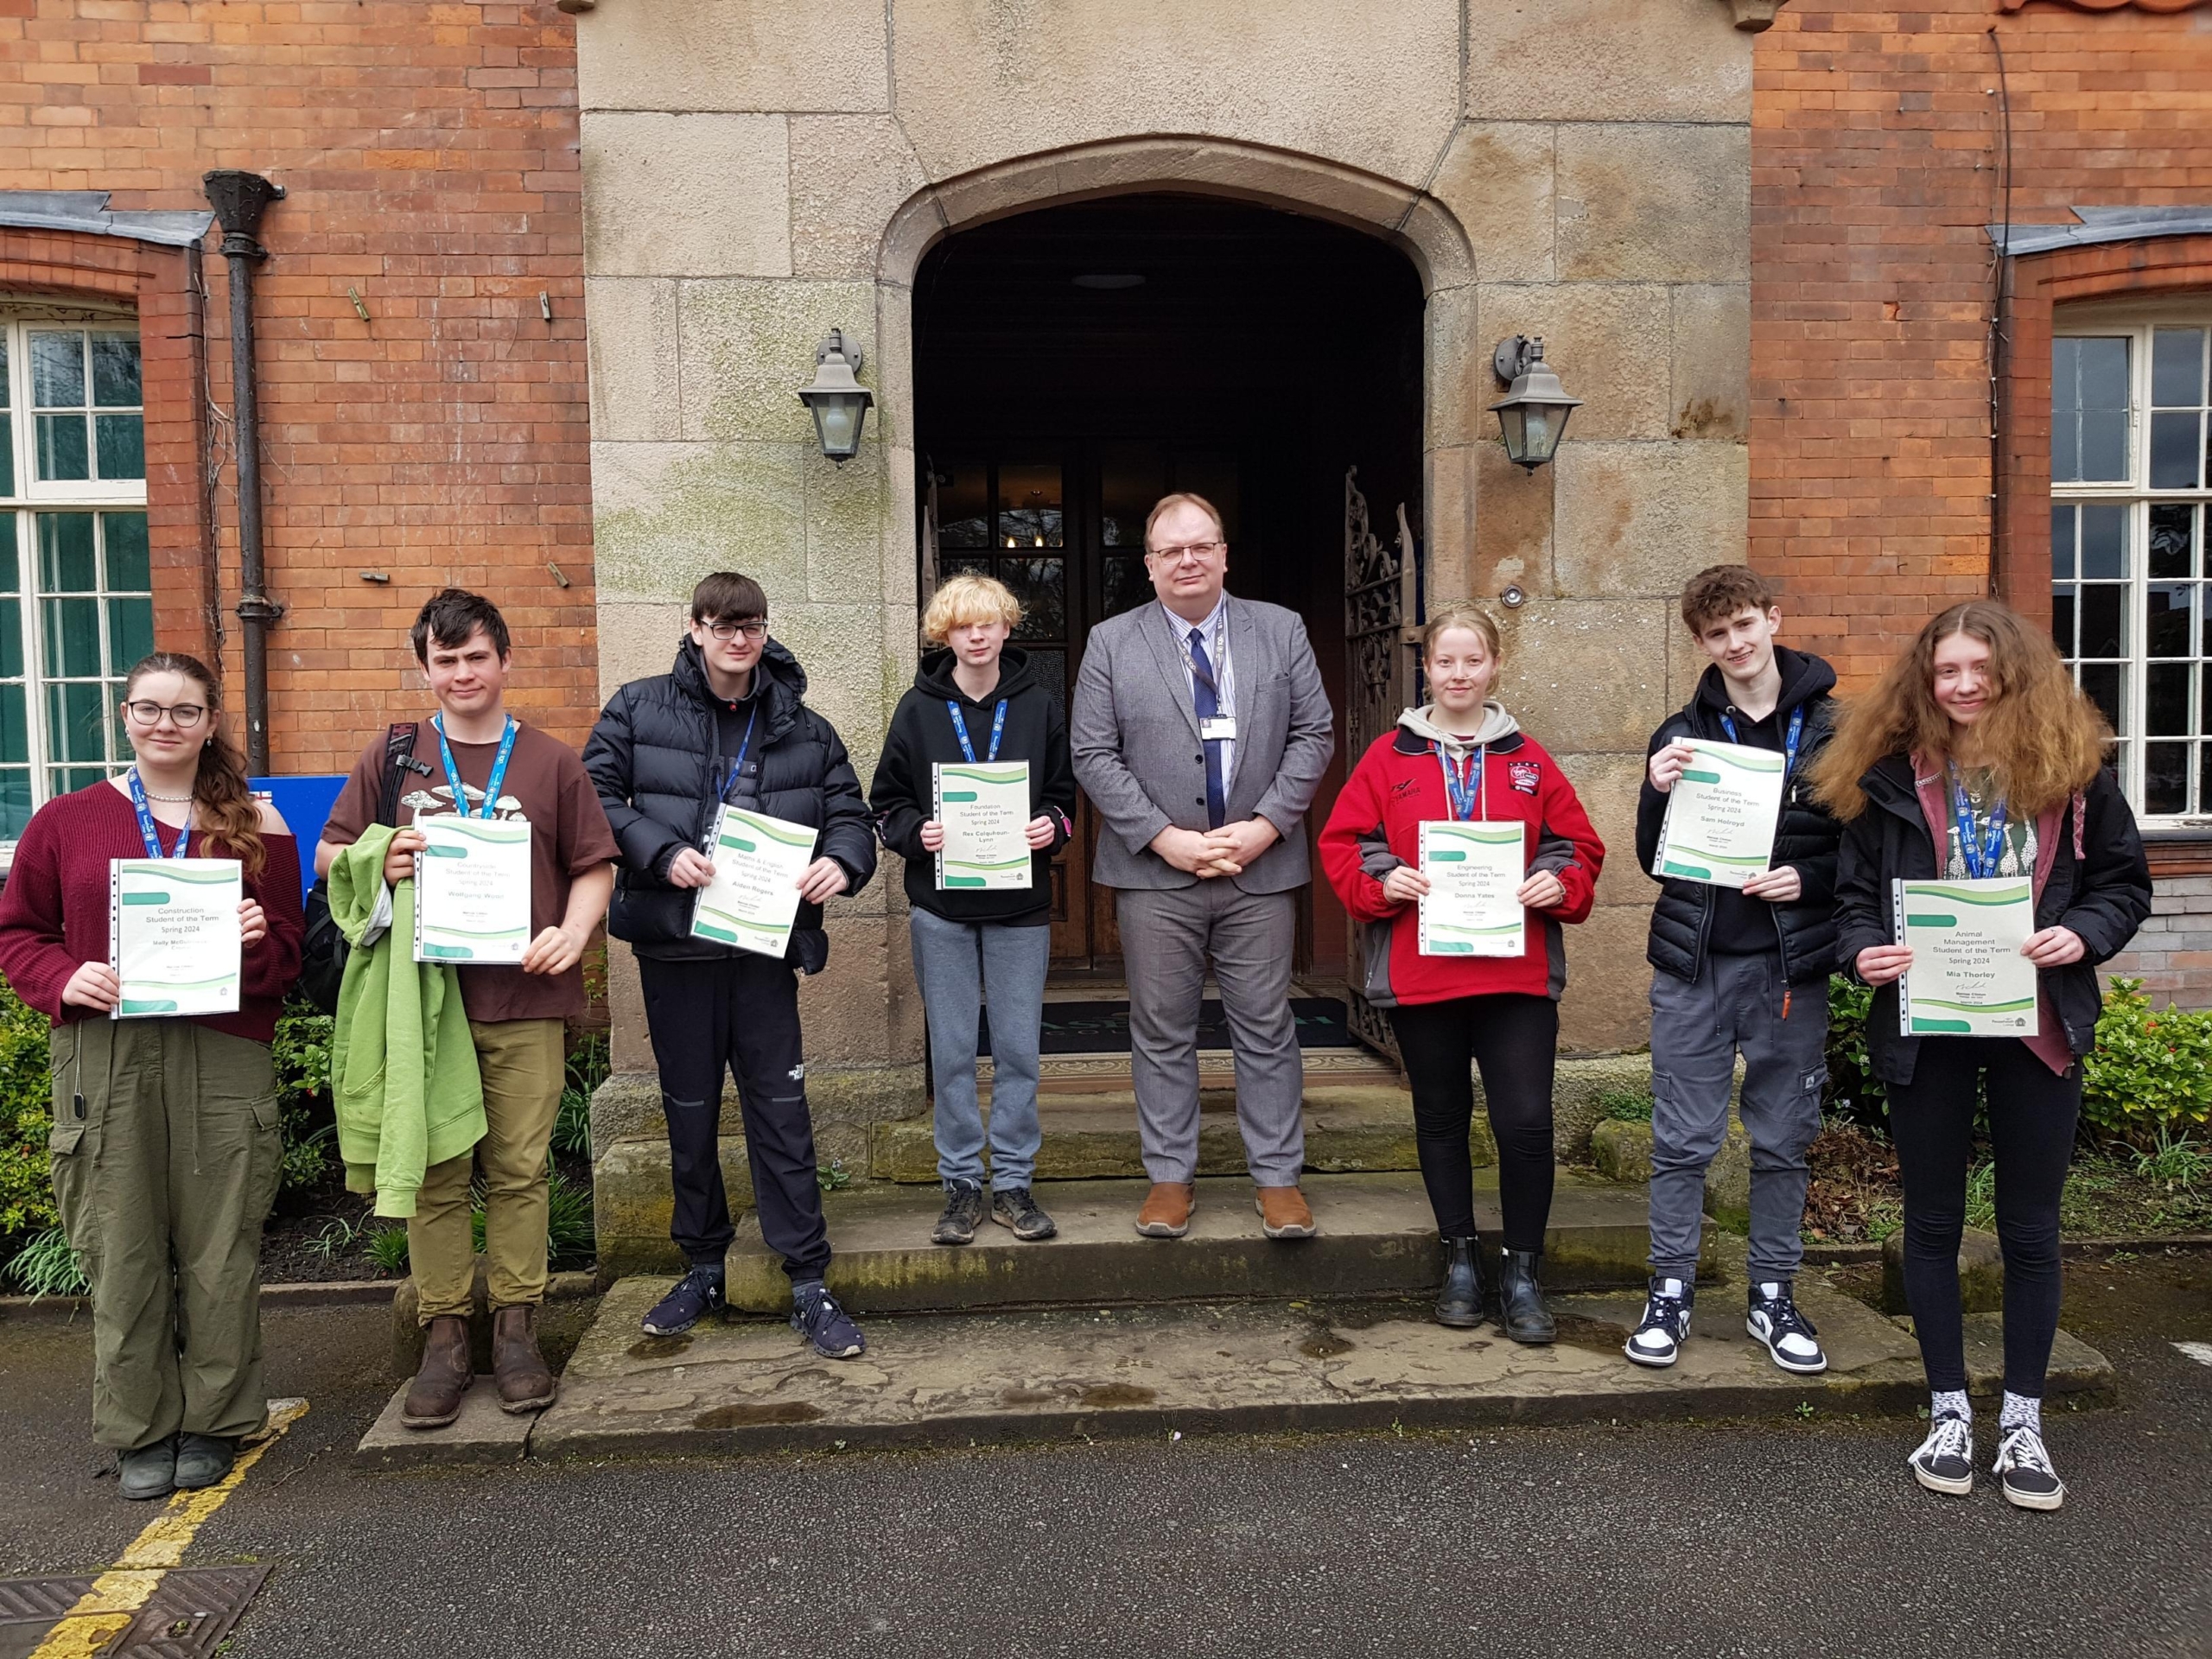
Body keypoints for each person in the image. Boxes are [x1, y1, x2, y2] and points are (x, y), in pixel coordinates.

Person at [1814, 600, 2149, 1511]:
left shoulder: (2074, 773)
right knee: (1930, 1225)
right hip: (1928, 1024)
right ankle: (1951, 1412)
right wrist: (1860, 952)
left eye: (1976, 668)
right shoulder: (1888, 779)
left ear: (2011, 672)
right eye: (1944, 671)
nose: (1961, 685)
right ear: (1925, 681)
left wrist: (2080, 933)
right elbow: (1848, 904)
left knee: (2030, 1230)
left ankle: (2026, 1421)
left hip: (2036, 1028)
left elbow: (2122, 883)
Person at [0, 653, 302, 1499]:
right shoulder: (67, 820)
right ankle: (139, 1428)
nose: (165, 724)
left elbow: (289, 959)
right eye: (149, 708)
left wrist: (253, 937)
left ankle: (216, 1420)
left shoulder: (258, 825)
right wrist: (61, 979)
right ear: (125, 716)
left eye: (185, 710)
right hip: (109, 1050)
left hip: (221, 1048)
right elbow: (20, 932)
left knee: (219, 1248)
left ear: (210, 722)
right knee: (121, 1242)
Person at [317, 590, 617, 1428]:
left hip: (526, 996)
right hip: (427, 1002)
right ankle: (446, 1333)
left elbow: (596, 864)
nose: (460, 673)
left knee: (521, 1169)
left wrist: (573, 930)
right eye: (443, 660)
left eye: (474, 656)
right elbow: (329, 850)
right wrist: (384, 858)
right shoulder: (397, 754)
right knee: (439, 1172)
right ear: (425, 668)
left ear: (505, 660)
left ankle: (519, 1327)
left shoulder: (553, 763)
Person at [583, 572, 878, 1357]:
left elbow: (850, 812)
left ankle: (808, 1278)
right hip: (676, 947)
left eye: (750, 625)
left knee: (781, 1110)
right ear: (695, 628)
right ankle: (703, 1264)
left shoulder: (804, 727)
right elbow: (595, 793)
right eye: (722, 624)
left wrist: (841, 865)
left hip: (761, 950)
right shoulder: (638, 708)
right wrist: (660, 850)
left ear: (764, 630)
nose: (738, 639)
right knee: (689, 1110)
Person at [1318, 608, 1604, 1341]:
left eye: (1472, 660)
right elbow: (1346, 842)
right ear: (1428, 670)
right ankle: (1461, 1261)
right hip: (1425, 973)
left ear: (1494, 665)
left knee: (1526, 1124)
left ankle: (1523, 1271)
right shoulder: (1390, 757)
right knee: (1441, 1119)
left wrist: (1555, 881)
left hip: (1516, 978)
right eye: (1445, 662)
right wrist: (1385, 881)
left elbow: (1578, 846)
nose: (1458, 674)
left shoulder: (1529, 760)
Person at [1070, 493, 1335, 1241]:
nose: (1187, 560)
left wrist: (1267, 825)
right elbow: (1092, 752)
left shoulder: (1279, 630)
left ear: (1223, 554)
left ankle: (1279, 1179)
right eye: (1170, 551)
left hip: (1260, 869)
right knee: (1160, 1029)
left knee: (1267, 1025)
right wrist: (1162, 836)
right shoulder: (1110, 642)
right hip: (1156, 874)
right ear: (1150, 565)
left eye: (1200, 546)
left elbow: (1314, 734)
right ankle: (1168, 1178)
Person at [1627, 566, 1842, 1374]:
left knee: (1784, 1140)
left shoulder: (1836, 728)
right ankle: (1671, 1289)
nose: (1737, 643)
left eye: (1747, 624)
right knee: (1681, 1139)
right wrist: (1654, 792)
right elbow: (1656, 860)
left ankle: (1773, 1294)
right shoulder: (1679, 733)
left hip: (1790, 967)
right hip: (1695, 964)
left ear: (1773, 618)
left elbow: (1864, 854)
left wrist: (1807, 881)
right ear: (1701, 643)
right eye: (1718, 634)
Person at [869, 574, 1077, 1246]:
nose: (978, 635)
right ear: (945, 635)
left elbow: (1066, 797)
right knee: (954, 1054)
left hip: (1020, 907)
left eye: (988, 622)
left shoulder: (1040, 705)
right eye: (963, 626)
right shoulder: (917, 708)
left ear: (1007, 628)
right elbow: (886, 803)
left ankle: (1014, 1183)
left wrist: (1052, 825)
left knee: (1018, 1051)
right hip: (943, 907)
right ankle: (961, 1184)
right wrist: (914, 834)